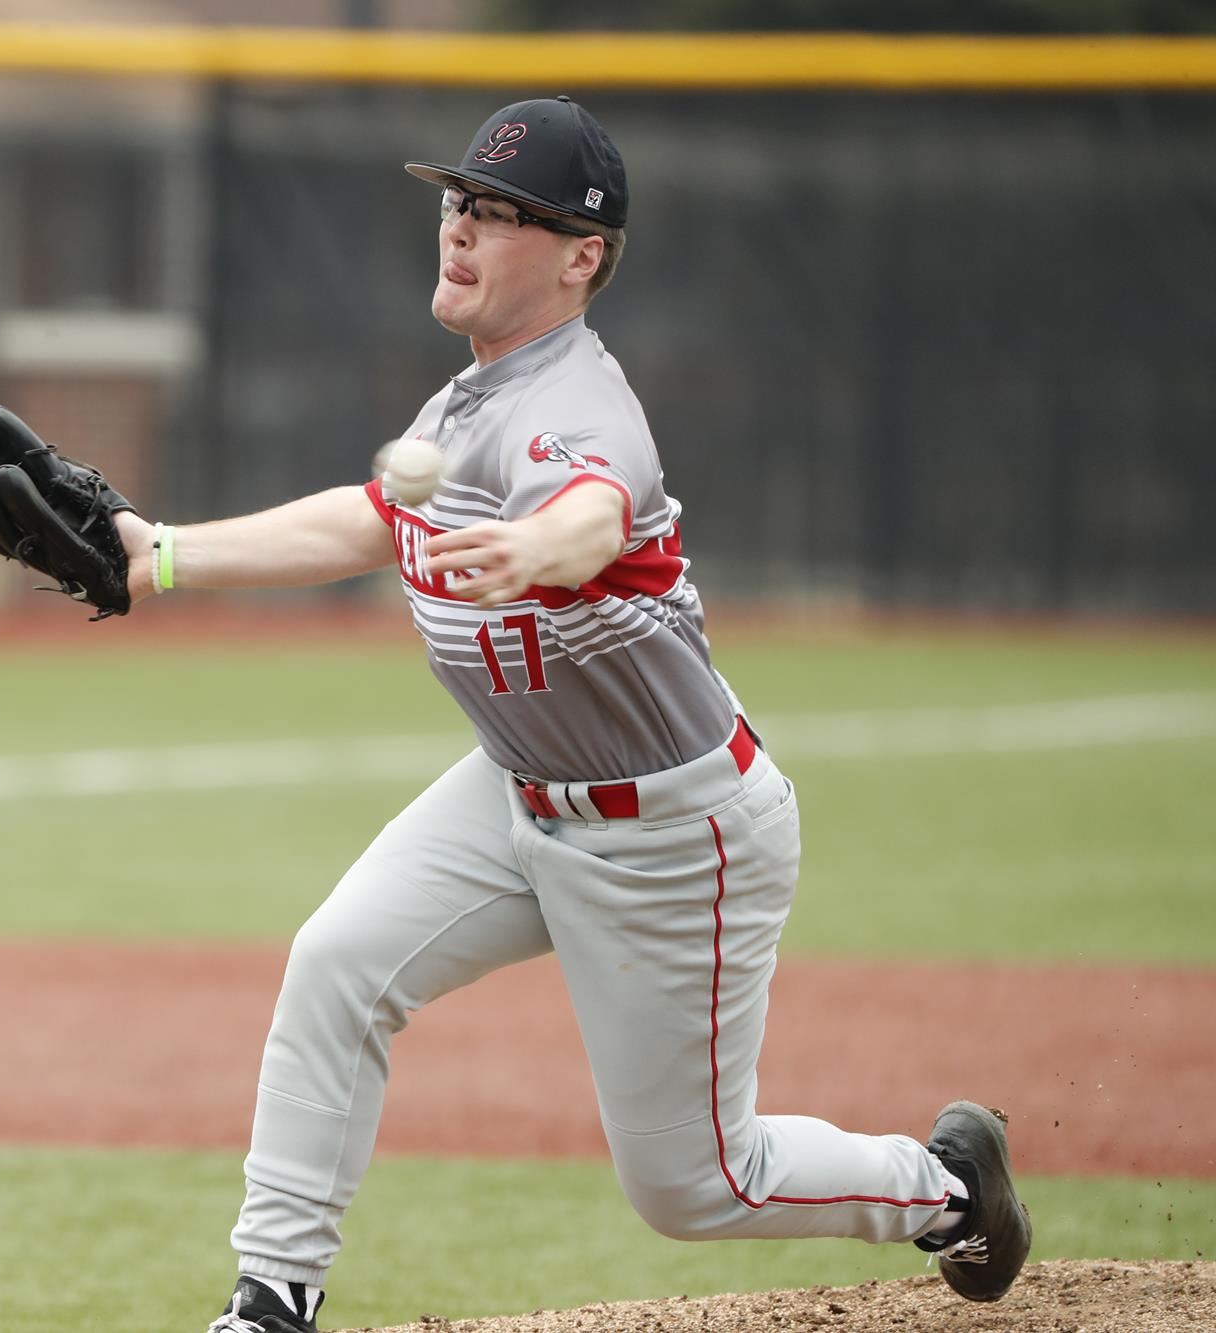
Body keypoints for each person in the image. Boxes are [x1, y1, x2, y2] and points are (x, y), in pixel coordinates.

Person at [110, 97, 1031, 1333]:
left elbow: (594, 509)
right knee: (334, 966)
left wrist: (538, 549)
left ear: (580, 256)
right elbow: (363, 517)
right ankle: (270, 1301)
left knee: (697, 1186)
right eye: (457, 203)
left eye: (501, 215)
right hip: (514, 789)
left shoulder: (578, 408)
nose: (461, 230)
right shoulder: (464, 406)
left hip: (672, 832)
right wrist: (155, 557)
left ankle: (948, 1189)